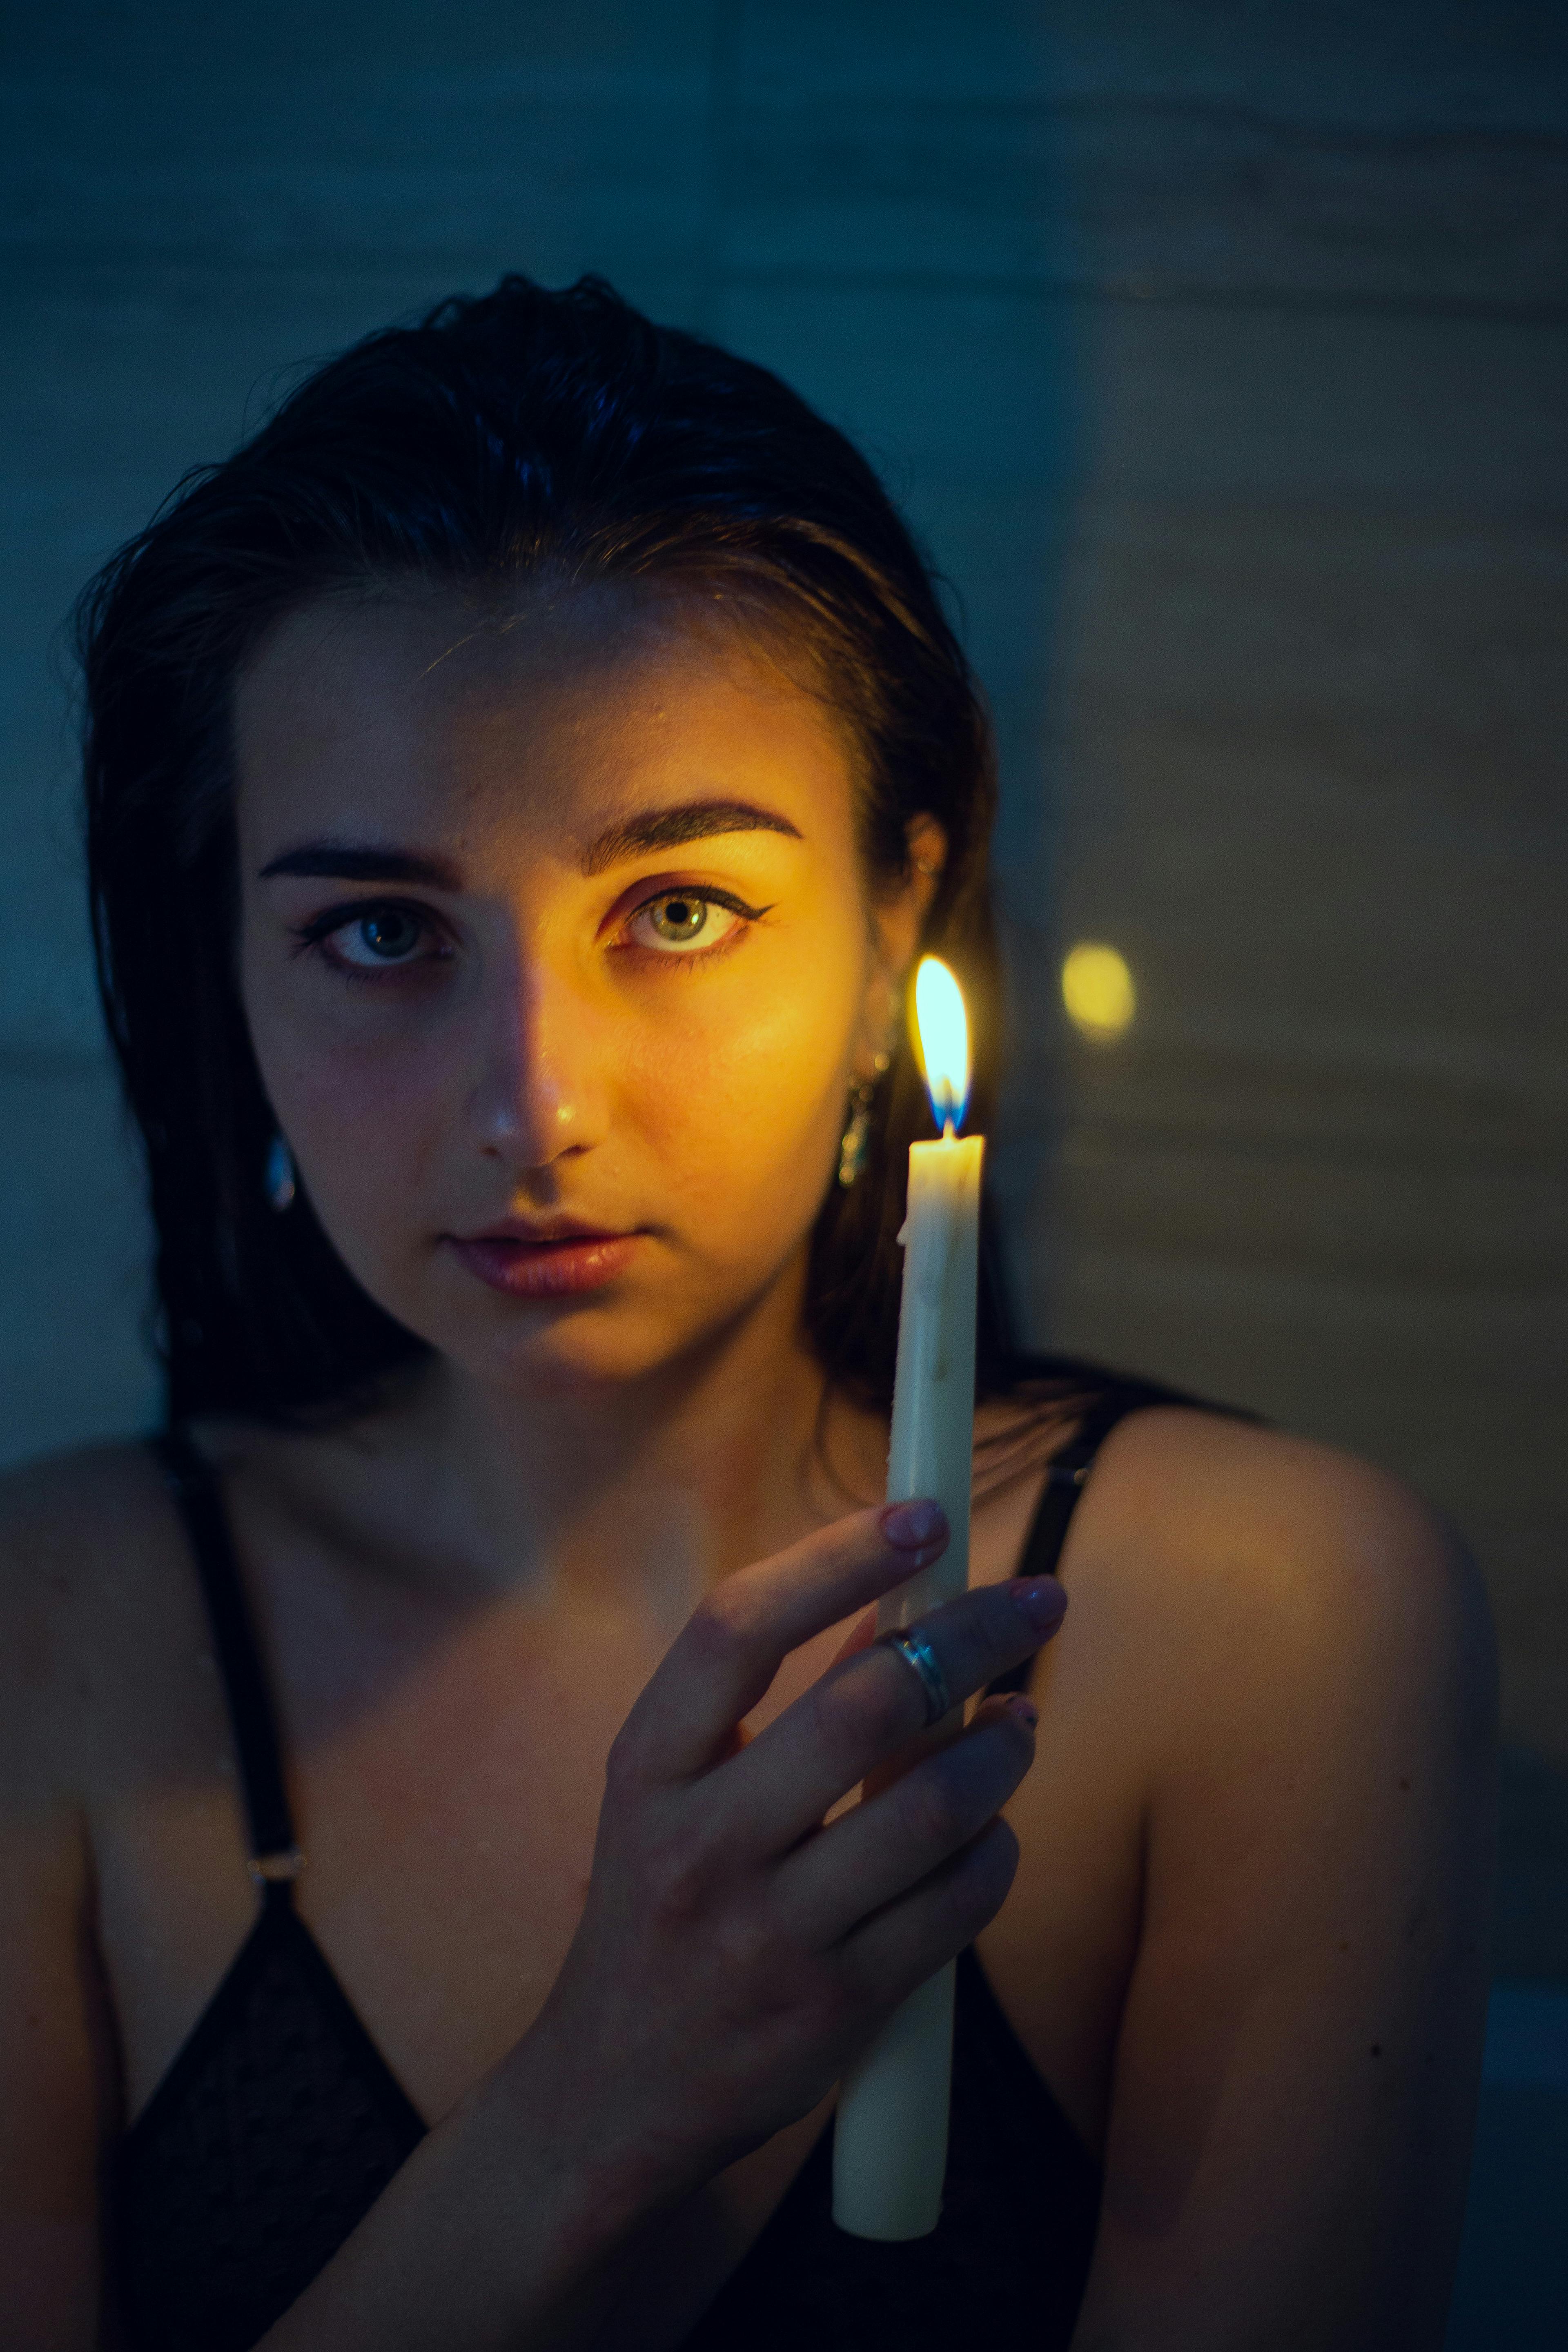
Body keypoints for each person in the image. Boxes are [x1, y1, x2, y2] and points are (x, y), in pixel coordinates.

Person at [0, 275, 1494, 2352]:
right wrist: (585, 2112)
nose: (537, 1104)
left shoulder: (1274, 1629)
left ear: (898, 918)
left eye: (680, 912)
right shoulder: (46, 1647)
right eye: (375, 930)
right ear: (223, 974)